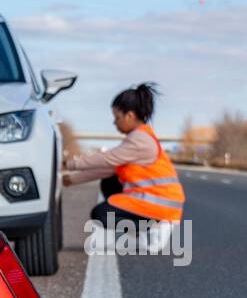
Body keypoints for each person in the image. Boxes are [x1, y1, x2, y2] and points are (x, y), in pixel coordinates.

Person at [62, 83, 186, 233]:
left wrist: (70, 164)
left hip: (163, 205)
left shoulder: (140, 140)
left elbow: (107, 159)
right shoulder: (139, 137)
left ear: (130, 116)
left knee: (101, 214)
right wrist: (73, 179)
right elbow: (107, 169)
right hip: (161, 201)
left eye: (117, 117)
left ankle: (155, 227)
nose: (114, 123)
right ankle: (148, 228)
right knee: (110, 182)